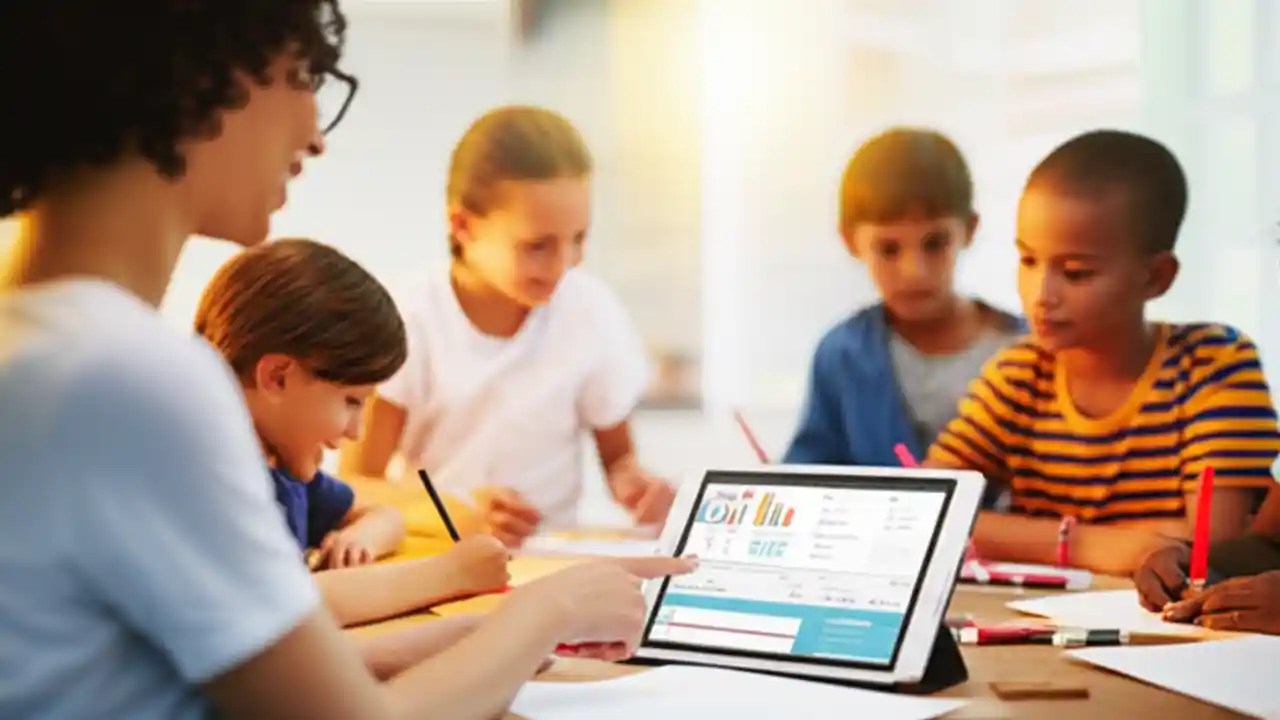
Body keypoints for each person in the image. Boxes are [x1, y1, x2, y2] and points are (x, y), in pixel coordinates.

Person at [0, 3, 693, 718]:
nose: (315, 133)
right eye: (305, 77)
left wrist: (489, 630)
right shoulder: (126, 379)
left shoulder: (44, 346)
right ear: (205, 76)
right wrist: (549, 610)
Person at [925, 130, 1280, 575]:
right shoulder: (1018, 374)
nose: (1041, 294)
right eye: (1028, 260)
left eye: (1076, 273)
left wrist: (1012, 535)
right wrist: (1097, 545)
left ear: (1155, 278)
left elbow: (1213, 549)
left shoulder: (1213, 365)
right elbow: (928, 515)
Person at [341, 105, 674, 548]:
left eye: (578, 239)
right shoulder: (407, 320)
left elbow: (619, 461)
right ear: (462, 226)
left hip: (554, 558)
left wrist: (636, 486)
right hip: (442, 558)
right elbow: (355, 485)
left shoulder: (589, 311)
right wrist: (453, 514)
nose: (563, 265)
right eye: (537, 246)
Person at [195, 238, 512, 625]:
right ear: (277, 377)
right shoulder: (213, 480)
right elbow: (291, 605)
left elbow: (384, 516)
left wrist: (361, 538)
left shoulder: (284, 471)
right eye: (351, 401)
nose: (356, 432)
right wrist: (452, 574)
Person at [785, 128, 1022, 494]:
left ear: (970, 230)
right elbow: (809, 474)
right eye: (888, 249)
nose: (915, 271)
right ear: (850, 240)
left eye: (935, 243)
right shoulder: (842, 354)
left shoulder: (1026, 349)